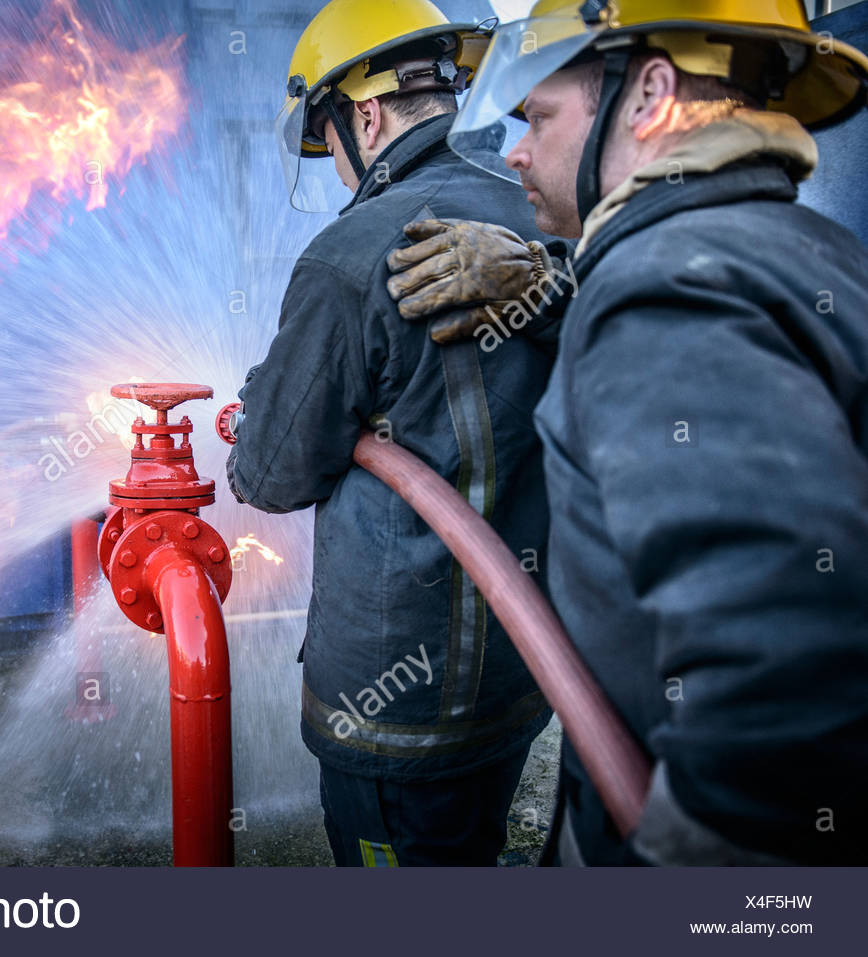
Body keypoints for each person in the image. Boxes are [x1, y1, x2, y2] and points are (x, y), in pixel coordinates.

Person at [386, 0, 868, 864]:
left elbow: (785, 692)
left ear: (647, 94)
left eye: (537, 115)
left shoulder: (663, 295)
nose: (516, 151)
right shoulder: (818, 255)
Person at [227, 0, 564, 866]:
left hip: (396, 708)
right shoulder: (544, 221)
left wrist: (265, 395)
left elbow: (269, 473)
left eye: (331, 144)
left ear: (363, 115)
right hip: (522, 672)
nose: (338, 171)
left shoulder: (351, 256)